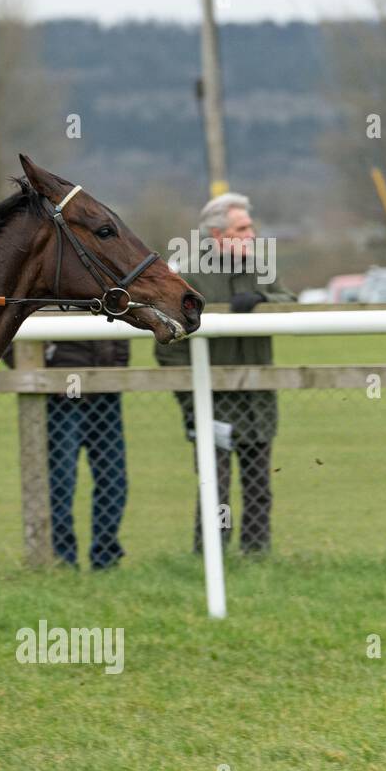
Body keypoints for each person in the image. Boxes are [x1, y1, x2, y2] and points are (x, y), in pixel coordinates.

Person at [155, 192, 296, 555]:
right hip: (210, 399)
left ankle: (256, 556)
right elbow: (168, 345)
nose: (251, 234)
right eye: (243, 228)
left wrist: (263, 303)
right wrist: (191, 400)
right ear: (218, 235)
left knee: (259, 485)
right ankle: (210, 556)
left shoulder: (260, 266)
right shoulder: (186, 273)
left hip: (257, 395)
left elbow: (292, 305)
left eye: (251, 227)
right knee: (214, 485)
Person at [43, 341, 130, 570]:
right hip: (63, 398)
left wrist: (117, 371)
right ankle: (62, 558)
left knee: (114, 480)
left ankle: (106, 556)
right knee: (61, 482)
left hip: (106, 393)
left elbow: (124, 324)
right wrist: (46, 375)